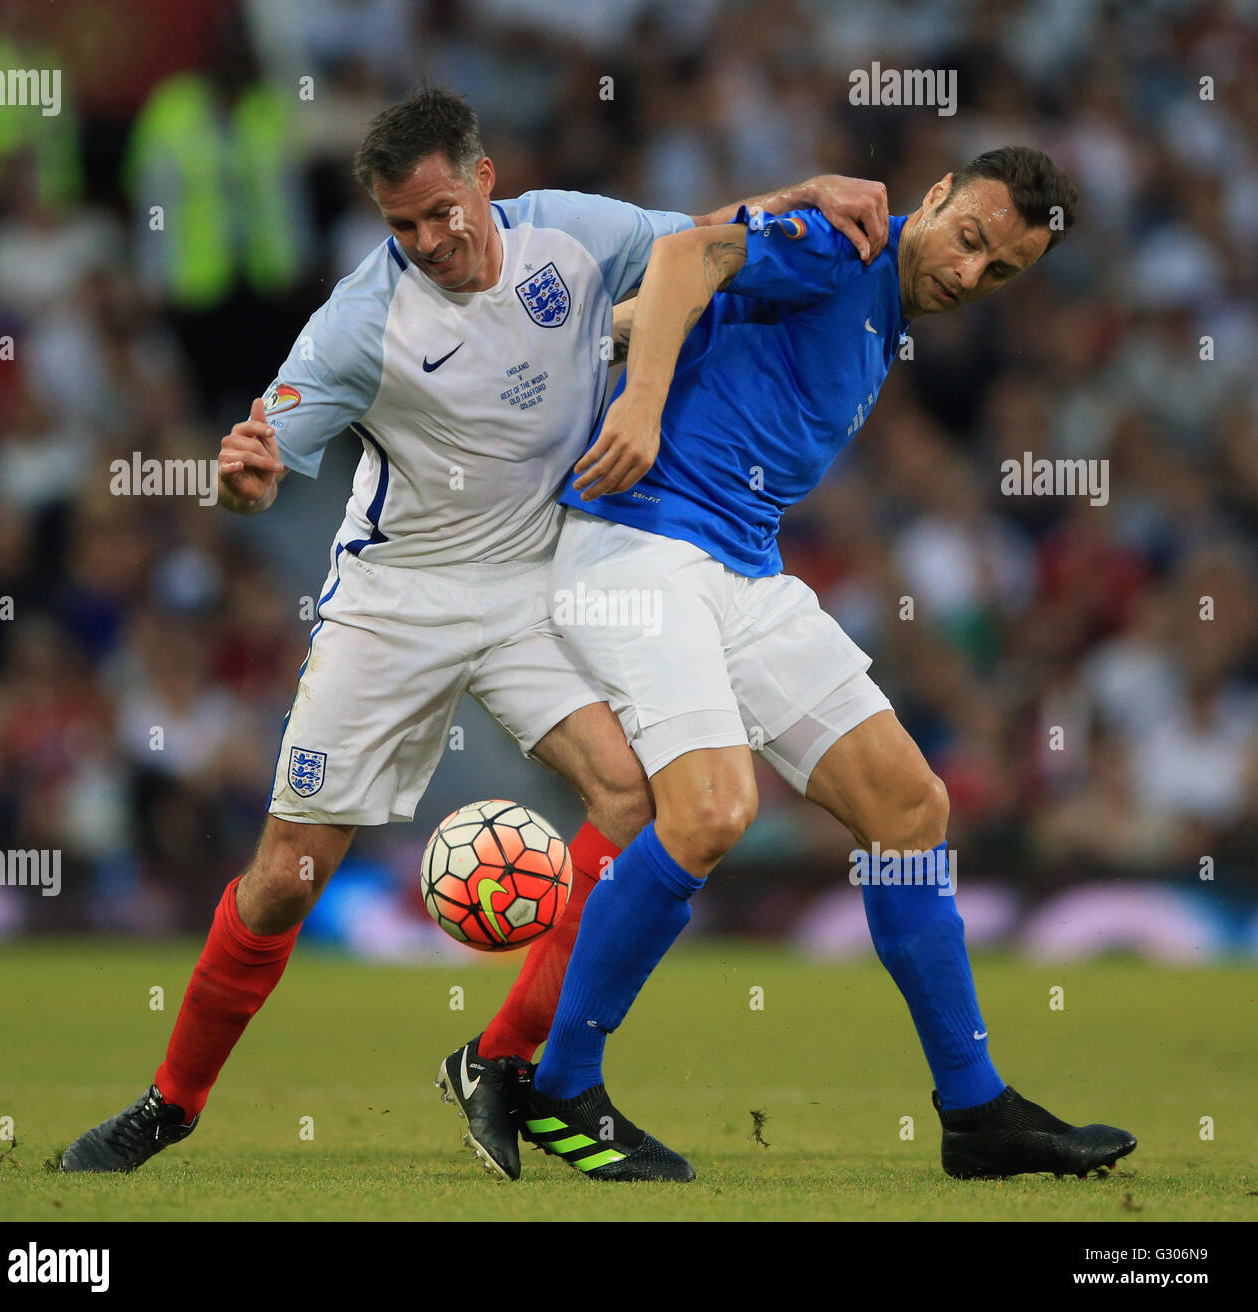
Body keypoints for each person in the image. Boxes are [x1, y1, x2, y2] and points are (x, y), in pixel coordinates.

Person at [60, 86, 891, 1182]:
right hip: (396, 602)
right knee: (288, 874)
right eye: (403, 226)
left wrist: (801, 191)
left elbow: (700, 240)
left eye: (444, 211)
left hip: (532, 589)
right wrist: (245, 483)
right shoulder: (361, 321)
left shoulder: (570, 234)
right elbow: (259, 469)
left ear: (485, 178)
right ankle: (170, 1102)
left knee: (636, 800)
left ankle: (502, 1064)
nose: (430, 241)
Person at [517, 146, 1137, 1183]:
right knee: (711, 811)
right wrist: (638, 401)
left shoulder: (886, 306)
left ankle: (975, 1111)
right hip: (637, 548)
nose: (969, 272)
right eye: (970, 237)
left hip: (741, 566)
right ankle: (560, 1084)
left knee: (909, 807)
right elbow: (681, 255)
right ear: (933, 195)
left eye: (1000, 272)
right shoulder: (838, 249)